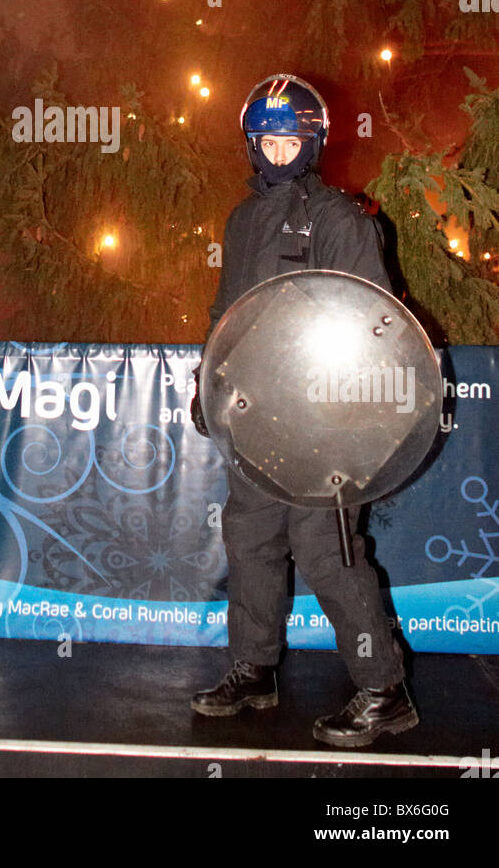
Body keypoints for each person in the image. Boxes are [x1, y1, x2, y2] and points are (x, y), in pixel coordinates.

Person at [190, 74, 417, 749]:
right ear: (251, 144)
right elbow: (226, 313)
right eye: (266, 139)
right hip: (257, 416)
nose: (278, 151)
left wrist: (352, 418)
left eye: (290, 139)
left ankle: (385, 689)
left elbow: (376, 322)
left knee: (329, 552)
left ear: (312, 141)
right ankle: (254, 669)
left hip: (327, 422)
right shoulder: (241, 219)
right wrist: (208, 380)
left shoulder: (342, 219)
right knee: (250, 540)